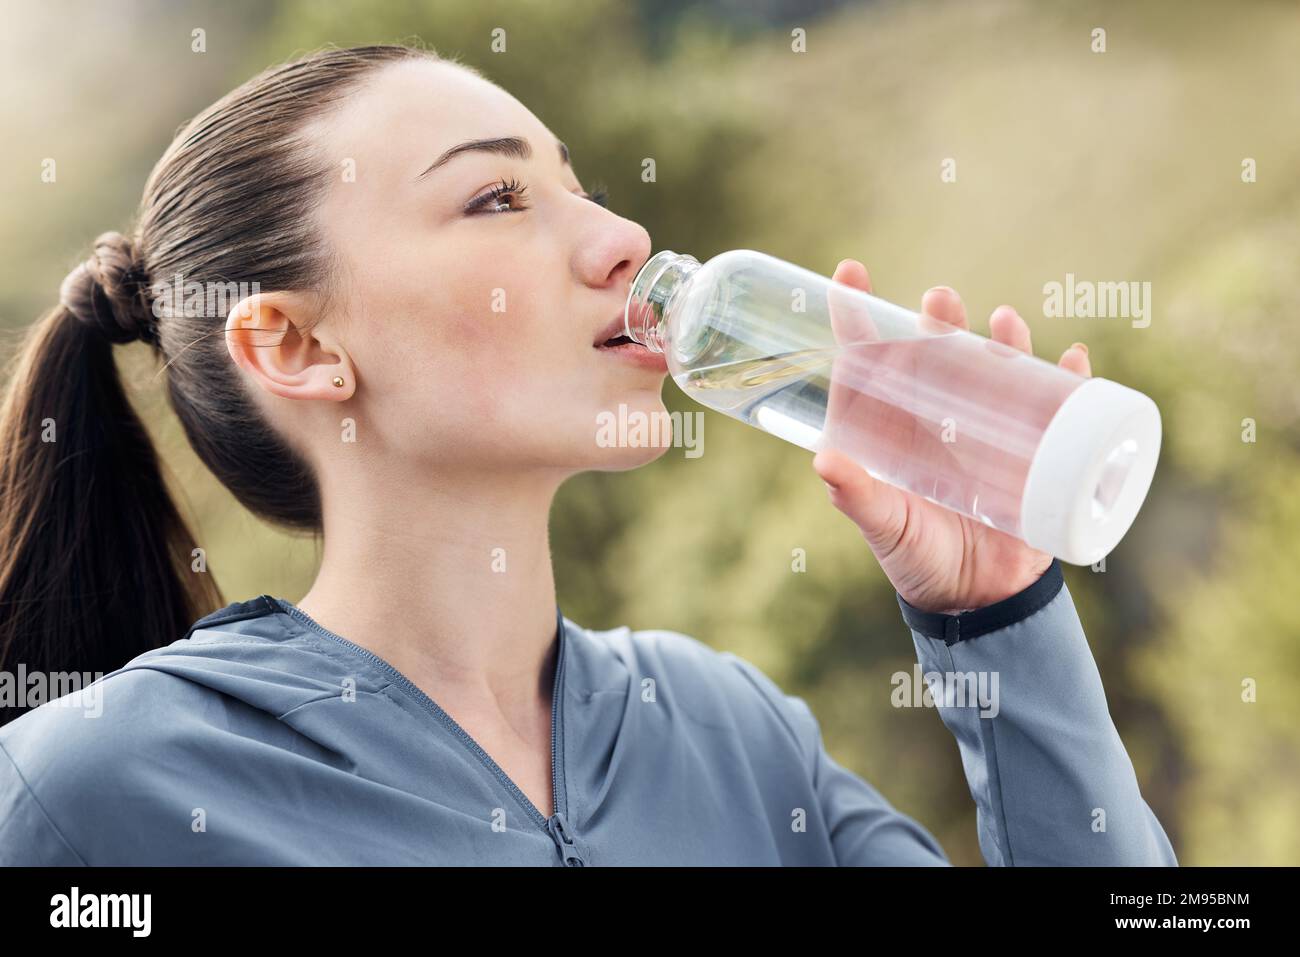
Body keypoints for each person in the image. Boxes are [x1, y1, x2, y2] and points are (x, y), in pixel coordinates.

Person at [0, 45, 1175, 866]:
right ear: (298, 345)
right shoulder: (96, 791)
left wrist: (996, 618)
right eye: (497, 197)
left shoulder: (732, 734)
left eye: (588, 190)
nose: (623, 241)